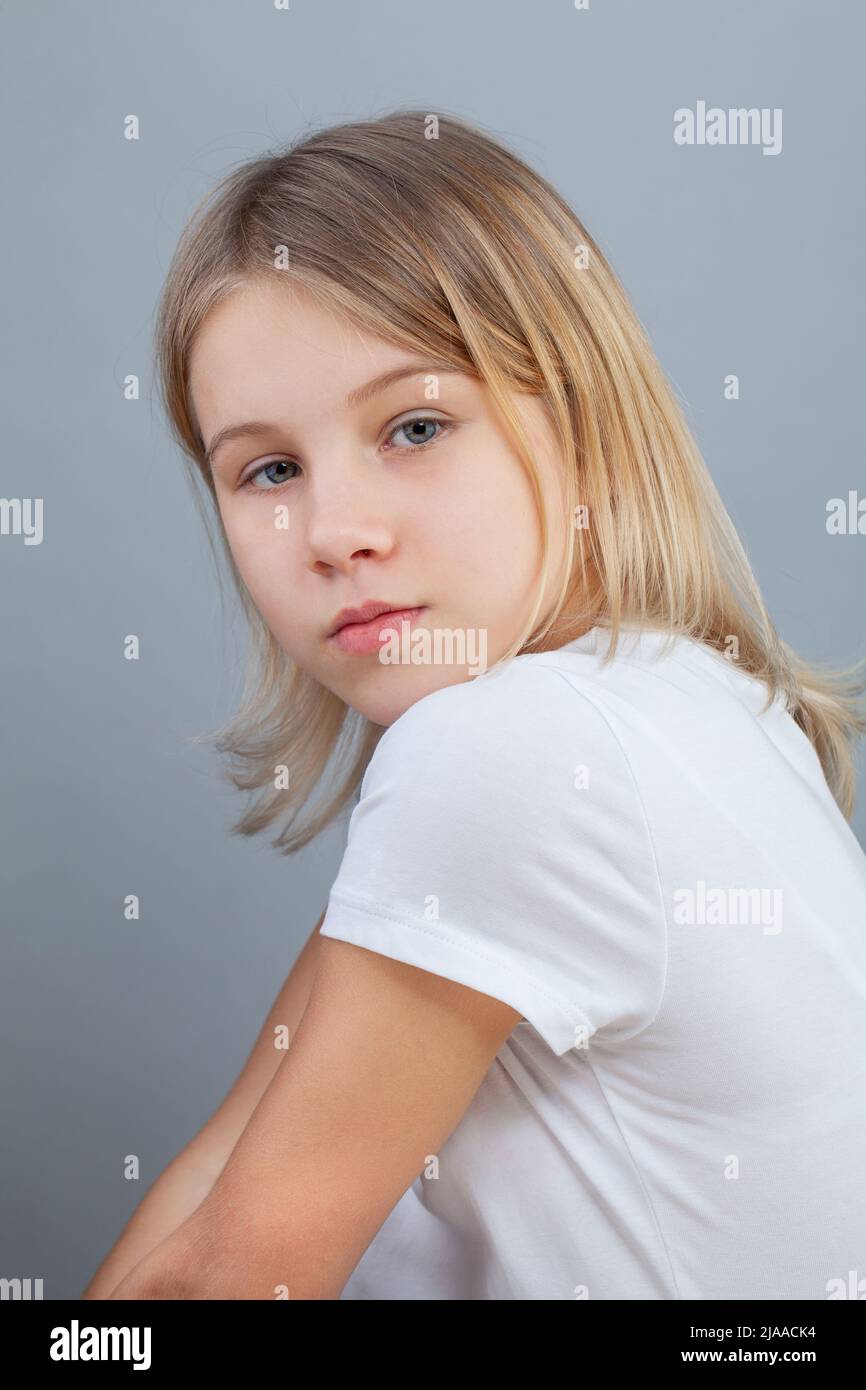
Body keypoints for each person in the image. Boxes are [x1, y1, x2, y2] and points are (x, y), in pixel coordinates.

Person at [85, 109, 866, 1301]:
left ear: (583, 418)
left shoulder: (506, 749)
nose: (339, 532)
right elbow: (215, 1186)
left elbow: (217, 1289)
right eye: (269, 470)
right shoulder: (688, 690)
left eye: (414, 426)